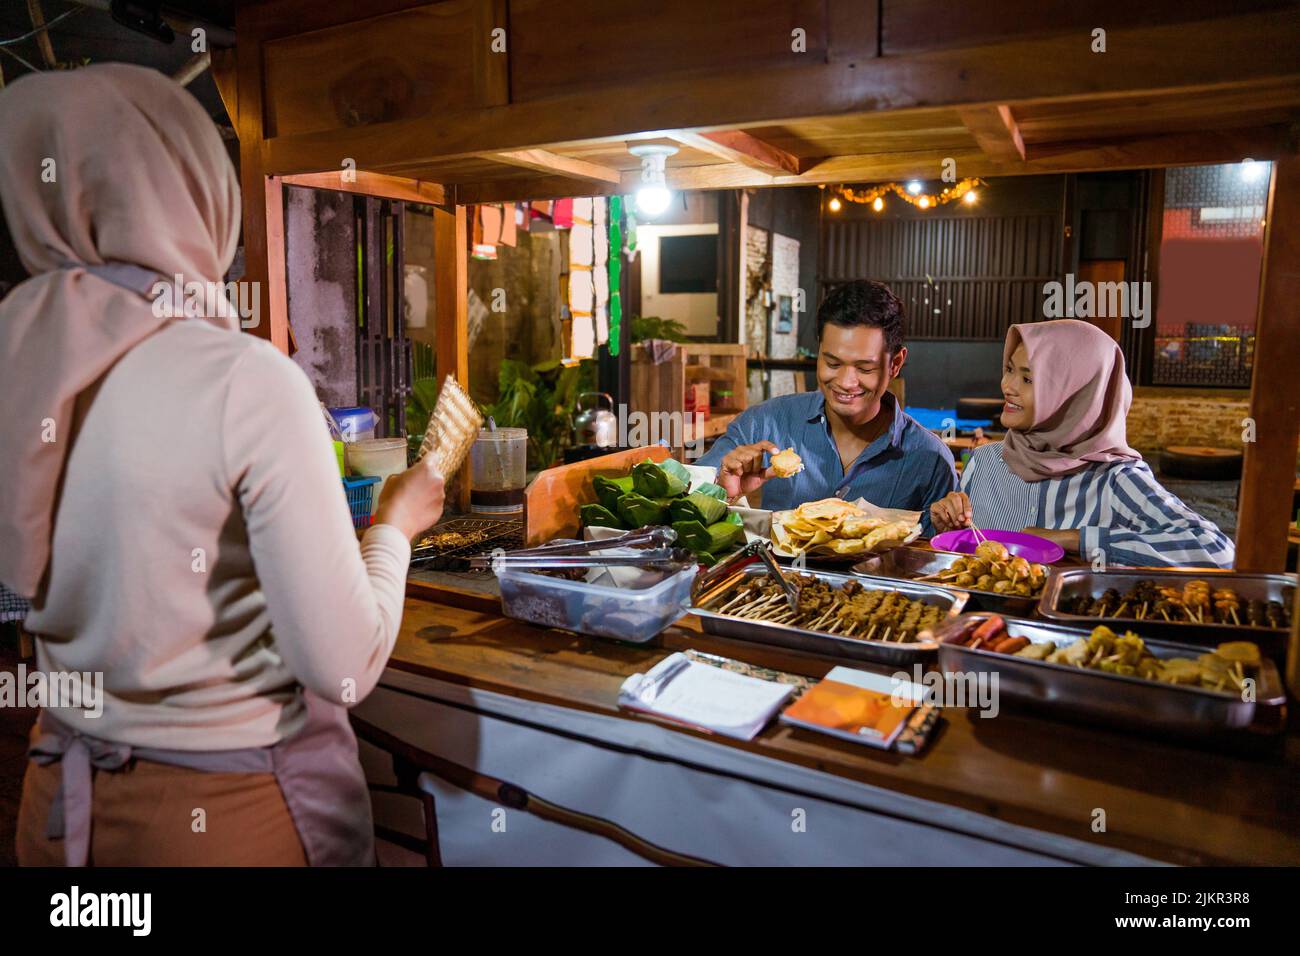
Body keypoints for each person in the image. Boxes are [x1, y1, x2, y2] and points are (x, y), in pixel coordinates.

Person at [0, 64, 445, 866]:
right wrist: (395, 527)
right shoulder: (242, 379)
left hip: (62, 807)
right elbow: (342, 668)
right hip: (223, 816)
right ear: (203, 194)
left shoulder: (17, 360)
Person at [929, 319, 1234, 569]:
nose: (1007, 387)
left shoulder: (1114, 479)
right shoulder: (985, 463)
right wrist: (948, 527)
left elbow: (1217, 550)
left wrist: (1075, 540)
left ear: (1075, 394)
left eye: (1028, 379)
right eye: (1009, 370)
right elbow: (968, 553)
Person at [697, 281, 956, 532]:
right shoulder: (764, 423)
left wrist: (951, 528)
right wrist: (725, 494)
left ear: (895, 364)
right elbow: (684, 507)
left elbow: (940, 562)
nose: (845, 382)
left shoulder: (930, 460)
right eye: (832, 363)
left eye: (865, 368)